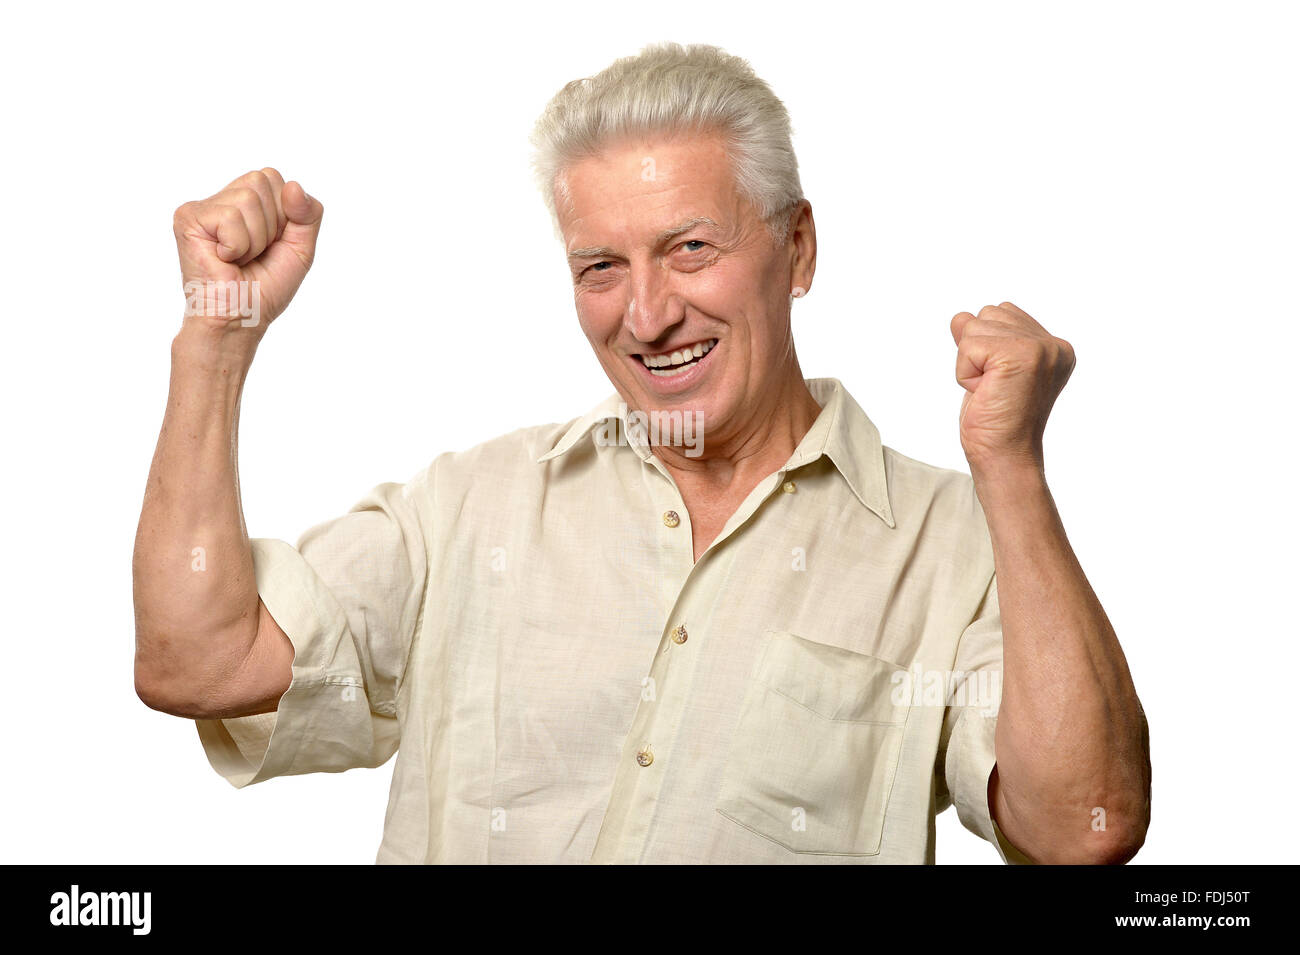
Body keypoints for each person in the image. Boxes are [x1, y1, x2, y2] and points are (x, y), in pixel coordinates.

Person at [133, 42, 1150, 864]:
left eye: (690, 248)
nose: (649, 314)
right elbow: (198, 662)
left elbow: (1084, 828)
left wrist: (1010, 467)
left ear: (796, 249)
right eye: (600, 267)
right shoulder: (468, 508)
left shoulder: (954, 547)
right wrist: (217, 335)